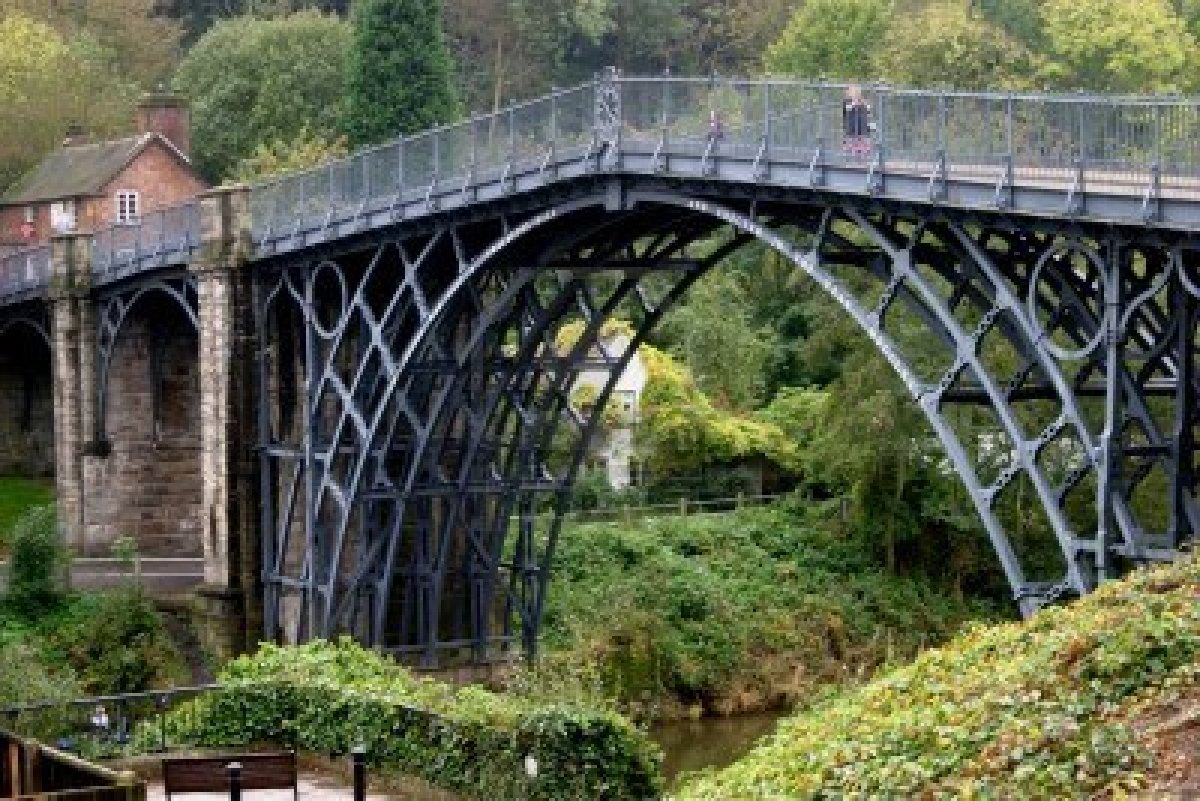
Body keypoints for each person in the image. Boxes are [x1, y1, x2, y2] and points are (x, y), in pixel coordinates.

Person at [842, 85, 873, 157]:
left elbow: (868, 109)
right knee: (851, 140)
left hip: (862, 125)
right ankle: (851, 154)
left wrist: (862, 103)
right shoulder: (847, 101)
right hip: (851, 125)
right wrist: (854, 104)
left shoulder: (862, 100)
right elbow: (846, 109)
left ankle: (863, 154)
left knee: (863, 140)